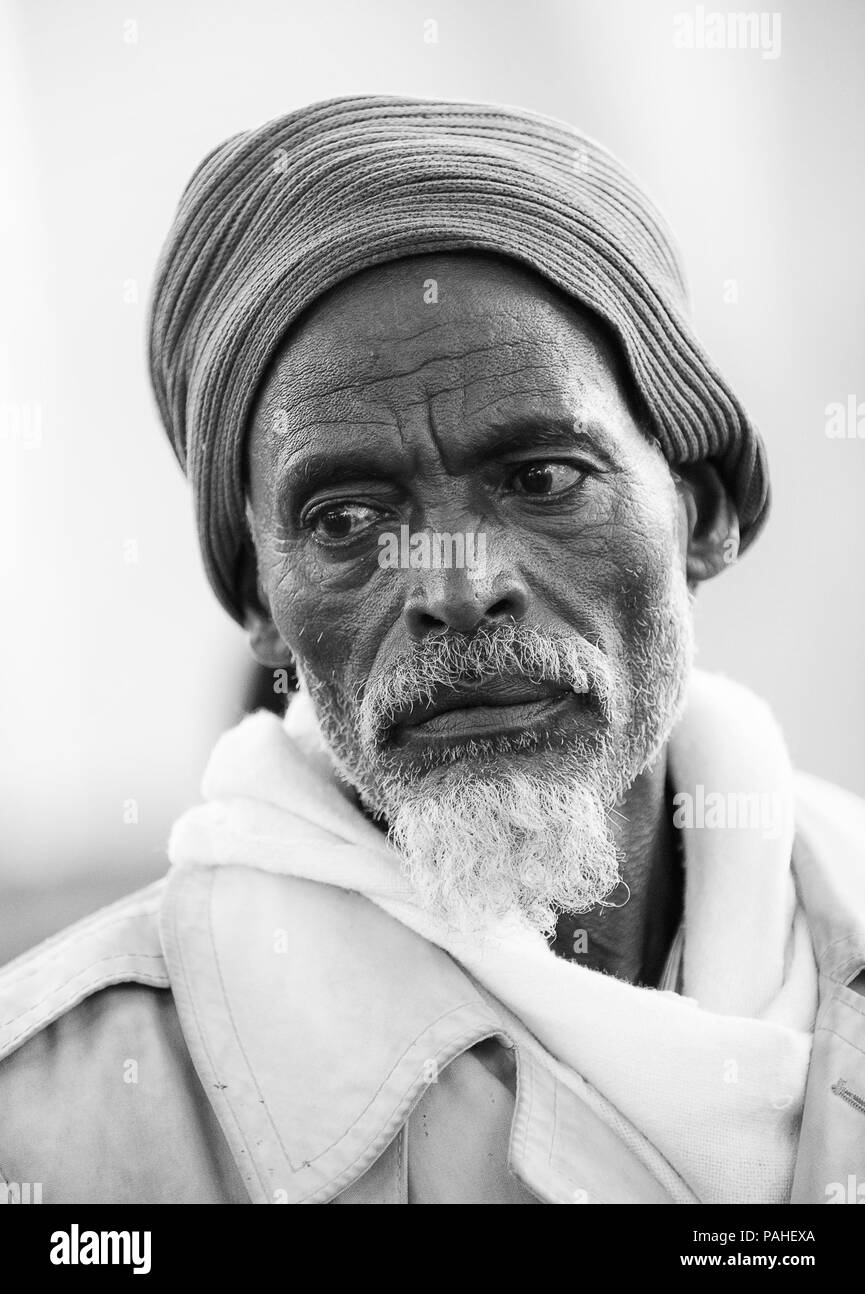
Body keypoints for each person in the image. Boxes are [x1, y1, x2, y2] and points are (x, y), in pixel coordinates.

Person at [2, 97, 863, 1205]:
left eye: (544, 477)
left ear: (699, 515)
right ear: (259, 603)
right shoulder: (53, 1132)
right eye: (347, 520)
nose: (457, 586)